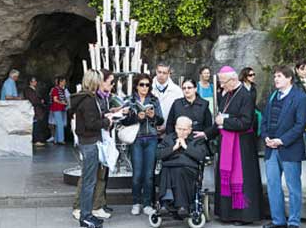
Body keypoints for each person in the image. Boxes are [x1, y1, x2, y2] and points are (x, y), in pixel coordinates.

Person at [213, 66, 264, 224]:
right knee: (225, 178)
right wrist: (207, 133)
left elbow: (246, 122)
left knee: (242, 180)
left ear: (233, 80)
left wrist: (225, 121)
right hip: (227, 142)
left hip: (242, 146)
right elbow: (220, 119)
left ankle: (244, 216)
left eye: (223, 82)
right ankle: (227, 214)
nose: (221, 86)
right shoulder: (227, 95)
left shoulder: (246, 96)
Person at [262, 66, 306, 228]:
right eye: (275, 76)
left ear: (289, 78)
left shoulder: (300, 98)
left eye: (280, 76)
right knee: (273, 186)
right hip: (271, 149)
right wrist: (266, 136)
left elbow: (300, 125)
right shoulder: (272, 96)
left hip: (289, 148)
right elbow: (264, 120)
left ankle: (294, 222)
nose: (276, 79)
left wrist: (281, 140)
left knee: (293, 186)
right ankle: (278, 221)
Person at [73, 71, 120, 221]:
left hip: (88, 141)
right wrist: (107, 122)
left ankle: (87, 212)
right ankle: (85, 215)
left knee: (90, 179)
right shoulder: (88, 100)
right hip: (90, 142)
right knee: (89, 180)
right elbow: (90, 123)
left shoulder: (85, 98)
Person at [124, 74, 162, 216]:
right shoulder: (130, 101)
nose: (145, 87)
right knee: (137, 173)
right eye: (142, 84)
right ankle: (136, 202)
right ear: (136, 85)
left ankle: (147, 204)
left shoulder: (154, 100)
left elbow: (160, 120)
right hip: (137, 139)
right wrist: (136, 117)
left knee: (149, 174)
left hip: (151, 138)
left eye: (147, 85)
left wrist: (153, 117)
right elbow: (124, 121)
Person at [157, 116, 210, 217]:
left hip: (189, 170)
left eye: (184, 129)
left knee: (179, 170)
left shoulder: (197, 139)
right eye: (179, 129)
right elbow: (158, 154)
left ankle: (182, 205)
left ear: (190, 129)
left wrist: (186, 147)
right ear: (175, 127)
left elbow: (201, 156)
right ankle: (165, 204)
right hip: (169, 168)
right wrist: (173, 148)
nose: (181, 132)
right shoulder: (168, 138)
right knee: (166, 170)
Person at [25, 76, 49, 147]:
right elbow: (33, 100)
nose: (35, 83)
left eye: (35, 81)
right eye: (33, 81)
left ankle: (38, 139)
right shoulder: (28, 90)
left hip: (38, 109)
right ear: (30, 82)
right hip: (34, 109)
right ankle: (36, 140)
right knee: (36, 125)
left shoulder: (33, 90)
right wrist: (40, 102)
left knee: (38, 124)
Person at [49, 76, 71, 145]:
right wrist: (63, 103)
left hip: (61, 108)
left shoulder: (62, 89)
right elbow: (55, 99)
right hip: (56, 108)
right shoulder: (55, 89)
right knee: (60, 124)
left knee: (59, 124)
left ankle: (56, 139)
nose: (64, 83)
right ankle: (61, 140)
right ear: (60, 82)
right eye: (63, 81)